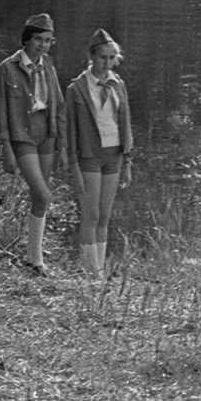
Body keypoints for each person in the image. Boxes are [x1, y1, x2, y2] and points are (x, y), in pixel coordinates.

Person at [0, 13, 64, 276]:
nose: (43, 46)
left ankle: (32, 261)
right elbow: (1, 115)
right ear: (27, 39)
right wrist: (6, 150)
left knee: (39, 199)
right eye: (38, 40)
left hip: (46, 133)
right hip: (22, 136)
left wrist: (63, 145)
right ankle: (36, 260)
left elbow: (59, 104)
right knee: (45, 194)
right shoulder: (6, 68)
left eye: (48, 41)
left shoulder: (48, 65)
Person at [64, 29, 132, 279]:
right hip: (89, 156)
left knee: (104, 216)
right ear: (91, 57)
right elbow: (70, 131)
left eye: (112, 57)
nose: (108, 62)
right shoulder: (77, 89)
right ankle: (89, 272)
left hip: (114, 155)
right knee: (90, 215)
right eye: (103, 57)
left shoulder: (118, 84)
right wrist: (73, 166)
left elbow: (125, 122)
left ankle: (99, 272)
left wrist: (127, 161)